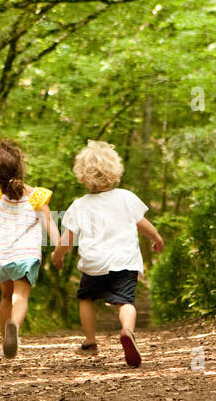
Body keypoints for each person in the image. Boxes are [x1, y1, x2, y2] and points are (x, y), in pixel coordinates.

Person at [51, 140, 163, 367]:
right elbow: (143, 224)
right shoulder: (126, 197)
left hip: (94, 263)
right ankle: (127, 331)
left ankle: (90, 342)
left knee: (86, 298)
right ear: (115, 171)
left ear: (82, 175)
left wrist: (57, 256)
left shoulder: (79, 205)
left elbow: (68, 239)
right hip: (125, 262)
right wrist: (157, 239)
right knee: (125, 302)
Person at [0, 139, 57, 359]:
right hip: (25, 255)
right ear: (20, 169)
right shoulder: (36, 195)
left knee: (5, 296)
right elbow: (49, 222)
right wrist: (59, 247)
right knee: (20, 297)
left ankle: (5, 342)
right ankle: (15, 327)